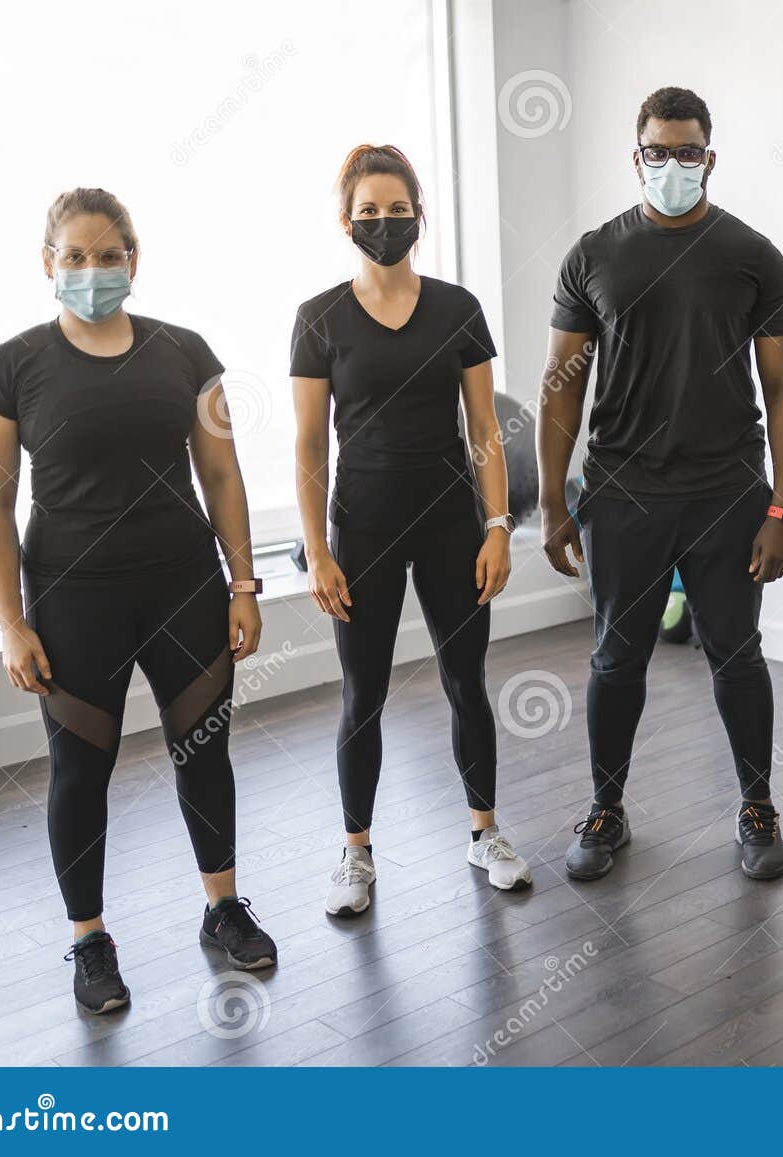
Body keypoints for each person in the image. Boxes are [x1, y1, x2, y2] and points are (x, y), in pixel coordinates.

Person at [0, 188, 276, 1015]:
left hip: (185, 586)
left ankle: (222, 909)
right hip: (72, 602)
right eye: (75, 256)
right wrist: (10, 622)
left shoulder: (188, 352)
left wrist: (244, 583)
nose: (93, 270)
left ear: (134, 261)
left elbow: (221, 474)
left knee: (205, 751)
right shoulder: (8, 368)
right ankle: (90, 940)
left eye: (109, 255)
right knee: (80, 772)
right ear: (48, 263)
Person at [537, 86, 783, 882]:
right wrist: (555, 499)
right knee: (616, 660)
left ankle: (757, 807)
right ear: (637, 157)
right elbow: (561, 383)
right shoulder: (594, 255)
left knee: (736, 655)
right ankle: (606, 808)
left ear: (709, 158)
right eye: (658, 151)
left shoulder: (752, 256)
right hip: (622, 491)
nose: (672, 164)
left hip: (727, 490)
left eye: (687, 151)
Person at [291, 144, 529, 916]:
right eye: (369, 212)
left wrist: (498, 528)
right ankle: (356, 852)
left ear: (419, 217)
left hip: (451, 526)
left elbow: (484, 427)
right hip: (361, 530)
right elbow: (307, 444)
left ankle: (484, 831)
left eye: (398, 211)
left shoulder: (457, 309)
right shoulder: (319, 318)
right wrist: (319, 549)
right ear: (346, 221)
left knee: (467, 682)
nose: (384, 223)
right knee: (364, 693)